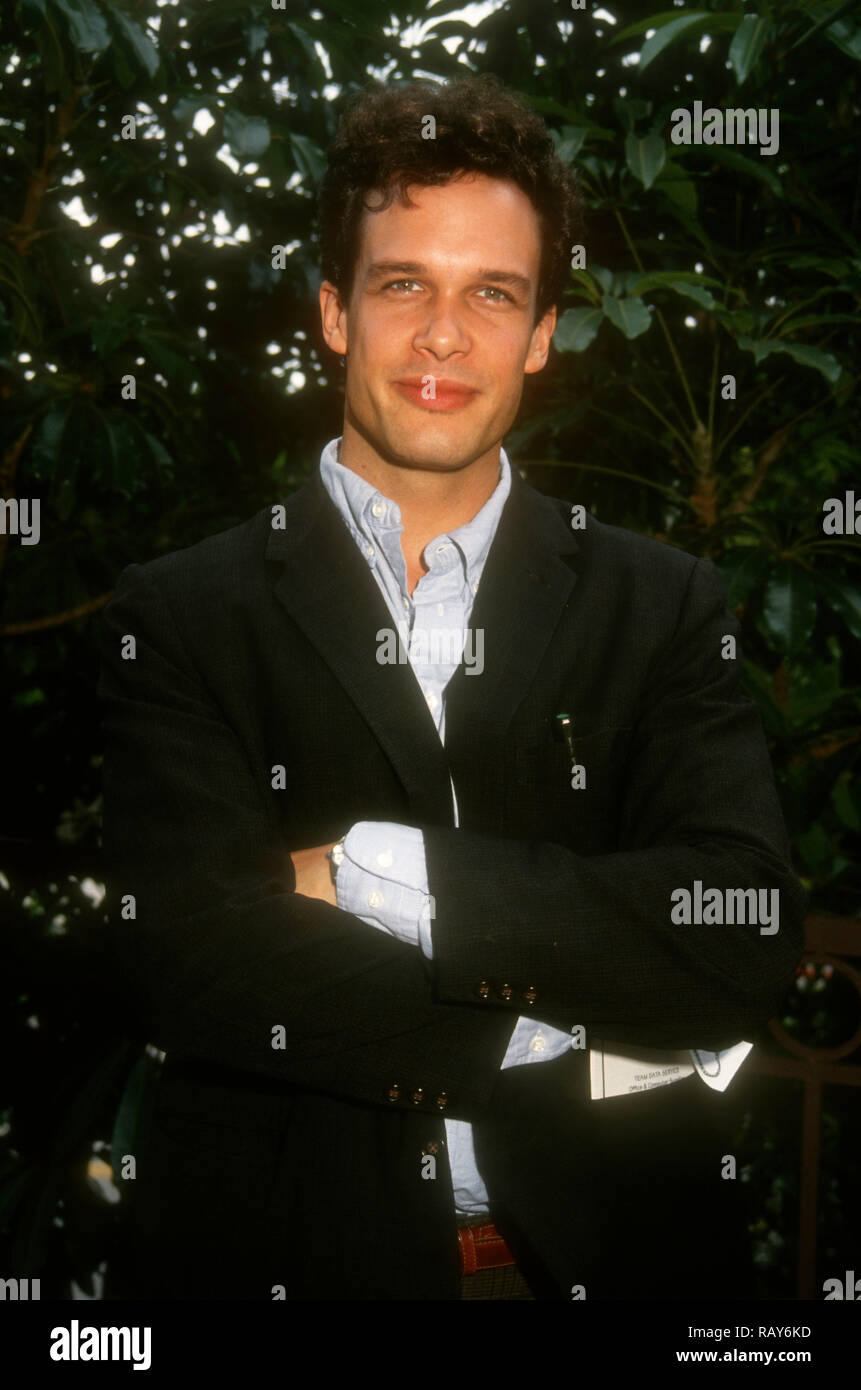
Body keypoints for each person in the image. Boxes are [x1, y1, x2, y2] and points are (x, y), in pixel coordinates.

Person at [98, 74, 806, 1301]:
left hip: (622, 1263)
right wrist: (574, 1043)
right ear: (333, 311)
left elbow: (738, 916)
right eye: (402, 284)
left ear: (540, 333)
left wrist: (390, 876)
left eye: (492, 293)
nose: (443, 336)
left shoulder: (662, 602)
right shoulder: (183, 610)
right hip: (291, 1262)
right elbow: (194, 957)